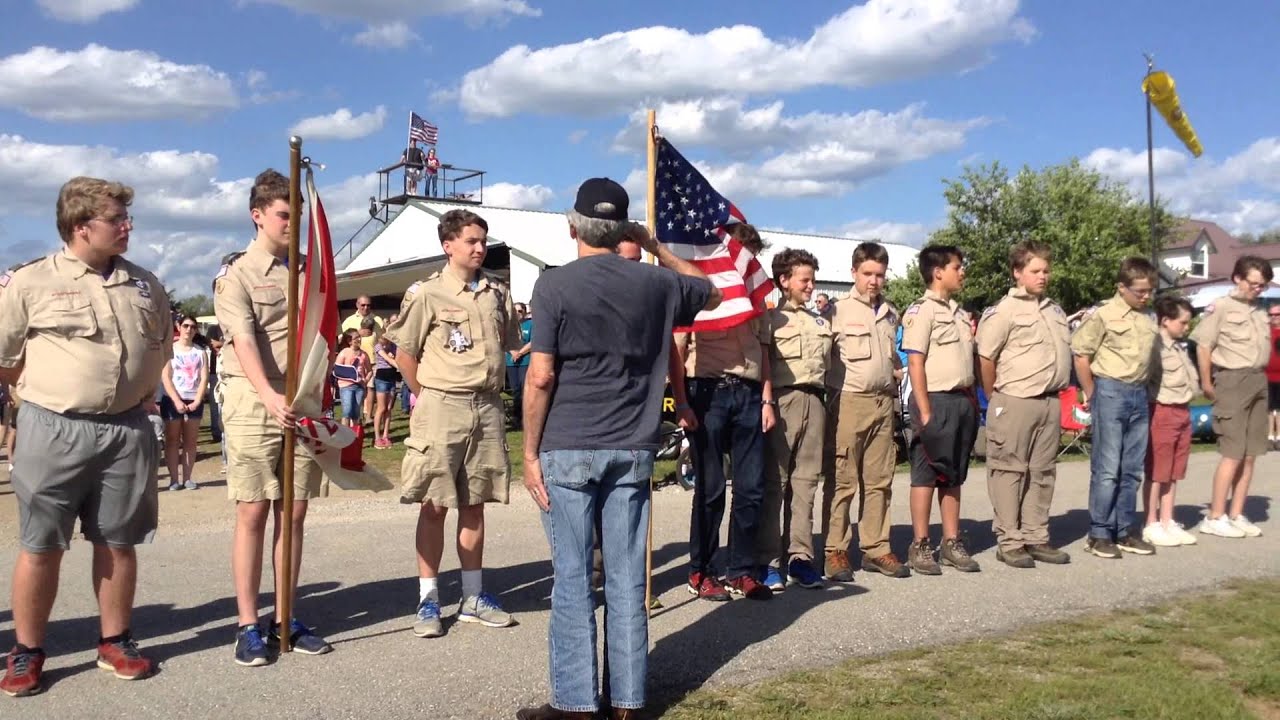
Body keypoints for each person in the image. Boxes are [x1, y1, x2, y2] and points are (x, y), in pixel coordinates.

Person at [516, 178, 717, 720]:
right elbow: (709, 287)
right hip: (630, 444)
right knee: (628, 579)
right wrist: (655, 248)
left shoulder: (554, 285)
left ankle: (578, 704)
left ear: (573, 225)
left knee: (574, 578)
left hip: (568, 442)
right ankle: (627, 701)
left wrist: (529, 453)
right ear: (624, 229)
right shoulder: (656, 284)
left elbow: (539, 376)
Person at [0, 176, 170, 696]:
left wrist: (140, 392)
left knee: (118, 541)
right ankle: (26, 652)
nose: (127, 226)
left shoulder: (145, 284)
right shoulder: (29, 282)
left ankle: (115, 641)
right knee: (41, 545)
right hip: (54, 429)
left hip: (126, 430)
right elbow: (5, 359)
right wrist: (44, 395)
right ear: (80, 227)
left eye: (126, 217)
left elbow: (159, 346)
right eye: (116, 219)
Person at [383, 208, 522, 639]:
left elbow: (511, 343)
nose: (480, 248)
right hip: (441, 404)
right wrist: (424, 394)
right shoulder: (426, 294)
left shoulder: (497, 293)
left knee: (475, 501)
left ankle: (473, 597)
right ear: (448, 245)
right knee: (435, 503)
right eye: (471, 241)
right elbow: (404, 352)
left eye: (483, 241)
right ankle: (428, 598)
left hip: (486, 405)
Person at [215, 169, 333, 666]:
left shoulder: (311, 270)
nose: (292, 222)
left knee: (295, 511)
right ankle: (247, 625)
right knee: (254, 511)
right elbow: (243, 339)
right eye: (285, 214)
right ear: (258, 215)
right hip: (253, 397)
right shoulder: (236, 273)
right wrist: (267, 394)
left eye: (298, 214)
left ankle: (284, 615)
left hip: (299, 400)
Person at [670, 222, 776, 601]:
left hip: (748, 394)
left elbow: (763, 350)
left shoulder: (755, 294)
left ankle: (741, 570)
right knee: (711, 490)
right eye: (740, 250)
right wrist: (681, 402)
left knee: (750, 490)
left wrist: (767, 399)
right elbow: (678, 350)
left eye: (751, 253)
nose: (747, 259)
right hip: (708, 392)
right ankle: (702, 570)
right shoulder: (699, 291)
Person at [975, 241, 1073, 569]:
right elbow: (986, 358)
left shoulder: (1054, 310)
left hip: (1049, 401)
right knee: (1009, 472)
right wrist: (994, 397)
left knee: (1042, 473)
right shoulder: (1004, 311)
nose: (1042, 276)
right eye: (1035, 271)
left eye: (1046, 270)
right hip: (1015, 399)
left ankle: (1036, 535)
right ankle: (1010, 540)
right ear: (1018, 273)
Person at [823, 242, 909, 580]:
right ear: (854, 273)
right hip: (848, 403)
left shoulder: (890, 313)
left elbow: (892, 358)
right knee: (843, 481)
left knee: (880, 481)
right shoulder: (836, 311)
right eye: (867, 274)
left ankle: (876, 548)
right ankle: (835, 551)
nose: (874, 281)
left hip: (882, 403)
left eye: (879, 275)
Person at [1070, 257, 1160, 559]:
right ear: (1121, 288)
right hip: (1110, 390)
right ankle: (1099, 532)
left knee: (1132, 470)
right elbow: (1081, 354)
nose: (1146, 296)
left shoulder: (1149, 317)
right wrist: (1093, 393)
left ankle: (1124, 530)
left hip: (1139, 393)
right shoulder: (1103, 315)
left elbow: (1154, 359)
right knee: (1107, 469)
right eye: (1140, 291)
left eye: (1150, 291)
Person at [900, 245, 981, 575]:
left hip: (961, 400)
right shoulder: (922, 312)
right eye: (957, 267)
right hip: (933, 399)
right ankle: (920, 544)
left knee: (953, 474)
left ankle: (951, 541)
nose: (962, 272)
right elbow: (915, 362)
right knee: (925, 473)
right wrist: (925, 409)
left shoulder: (960, 314)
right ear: (938, 272)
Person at [756, 248, 831, 590]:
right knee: (776, 483)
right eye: (805, 280)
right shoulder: (770, 320)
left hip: (815, 400)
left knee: (806, 483)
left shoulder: (820, 321)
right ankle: (770, 560)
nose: (811, 286)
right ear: (784, 281)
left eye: (813, 279)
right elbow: (763, 365)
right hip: (782, 401)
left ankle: (800, 558)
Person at [1190, 255, 1273, 539]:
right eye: (1253, 283)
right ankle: (1215, 516)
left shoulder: (1260, 311)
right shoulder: (1221, 308)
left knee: (1251, 454)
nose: (1257, 289)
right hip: (1232, 379)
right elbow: (1203, 345)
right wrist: (1206, 381)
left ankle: (1236, 513)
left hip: (1258, 379)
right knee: (1232, 453)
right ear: (1237, 278)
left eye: (1262, 285)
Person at [1142, 295, 1199, 547]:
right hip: (1162, 409)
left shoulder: (1177, 346)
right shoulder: (1155, 346)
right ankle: (1151, 522)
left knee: (1174, 471)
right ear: (1165, 320)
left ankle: (1167, 519)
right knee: (1157, 471)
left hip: (1182, 410)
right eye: (1183, 322)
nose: (1186, 327)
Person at [161, 314, 209, 492]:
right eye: (186, 326)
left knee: (190, 441)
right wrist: (176, 400)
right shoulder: (170, 350)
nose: (189, 330)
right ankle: (174, 479)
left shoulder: (200, 352)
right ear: (179, 327)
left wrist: (198, 400)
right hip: (173, 398)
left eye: (193, 327)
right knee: (172, 440)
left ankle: (188, 478)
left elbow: (204, 378)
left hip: (193, 399)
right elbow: (165, 376)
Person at [334, 329, 370, 429]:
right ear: (350, 341)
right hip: (346, 386)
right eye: (356, 338)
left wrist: (365, 380)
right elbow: (337, 369)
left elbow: (369, 370)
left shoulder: (364, 354)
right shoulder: (344, 352)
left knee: (356, 412)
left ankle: (354, 435)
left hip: (359, 387)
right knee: (347, 411)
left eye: (359, 337)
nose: (359, 339)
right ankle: (345, 435)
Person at [506, 303, 533, 430]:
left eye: (520, 311)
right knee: (515, 390)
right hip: (511, 361)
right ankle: (516, 417)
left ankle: (526, 418)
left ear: (525, 312)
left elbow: (533, 341)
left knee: (524, 390)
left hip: (525, 361)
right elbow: (504, 339)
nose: (518, 313)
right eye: (515, 311)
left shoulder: (530, 324)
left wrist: (521, 353)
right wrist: (513, 352)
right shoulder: (509, 325)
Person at [372, 333, 398, 448]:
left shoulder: (394, 346)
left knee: (388, 408)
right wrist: (400, 365)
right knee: (381, 408)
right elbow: (388, 359)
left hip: (391, 378)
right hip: (382, 379)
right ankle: (377, 438)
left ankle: (385, 435)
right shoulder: (378, 347)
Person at [1267, 304, 1280, 446]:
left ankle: (1279, 436)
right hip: (1267, 376)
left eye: (1277, 314)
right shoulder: (1266, 332)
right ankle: (1270, 436)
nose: (1274, 317)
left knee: (1279, 408)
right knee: (1270, 408)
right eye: (1271, 315)